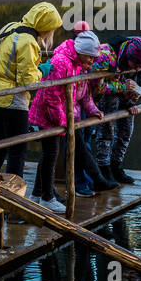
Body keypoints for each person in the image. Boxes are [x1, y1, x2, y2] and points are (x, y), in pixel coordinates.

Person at [0, 2, 62, 181]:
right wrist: (43, 70)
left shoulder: (11, 27)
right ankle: (13, 196)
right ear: (45, 26)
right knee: (17, 151)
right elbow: (28, 81)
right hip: (14, 101)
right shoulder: (29, 42)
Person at [29, 30, 104, 210]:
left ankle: (37, 193)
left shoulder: (77, 64)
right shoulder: (62, 62)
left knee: (49, 153)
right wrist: (63, 120)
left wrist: (92, 109)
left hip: (57, 116)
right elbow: (51, 95)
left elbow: (83, 93)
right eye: (91, 58)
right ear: (82, 52)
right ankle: (47, 198)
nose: (92, 62)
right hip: (47, 115)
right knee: (51, 153)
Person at [91, 35, 141, 184]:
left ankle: (114, 167)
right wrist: (123, 87)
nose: (136, 68)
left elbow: (120, 81)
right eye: (135, 64)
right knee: (106, 131)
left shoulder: (126, 57)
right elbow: (96, 86)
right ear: (128, 57)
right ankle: (103, 168)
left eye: (140, 65)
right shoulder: (106, 56)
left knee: (125, 130)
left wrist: (136, 93)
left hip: (113, 97)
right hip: (92, 100)